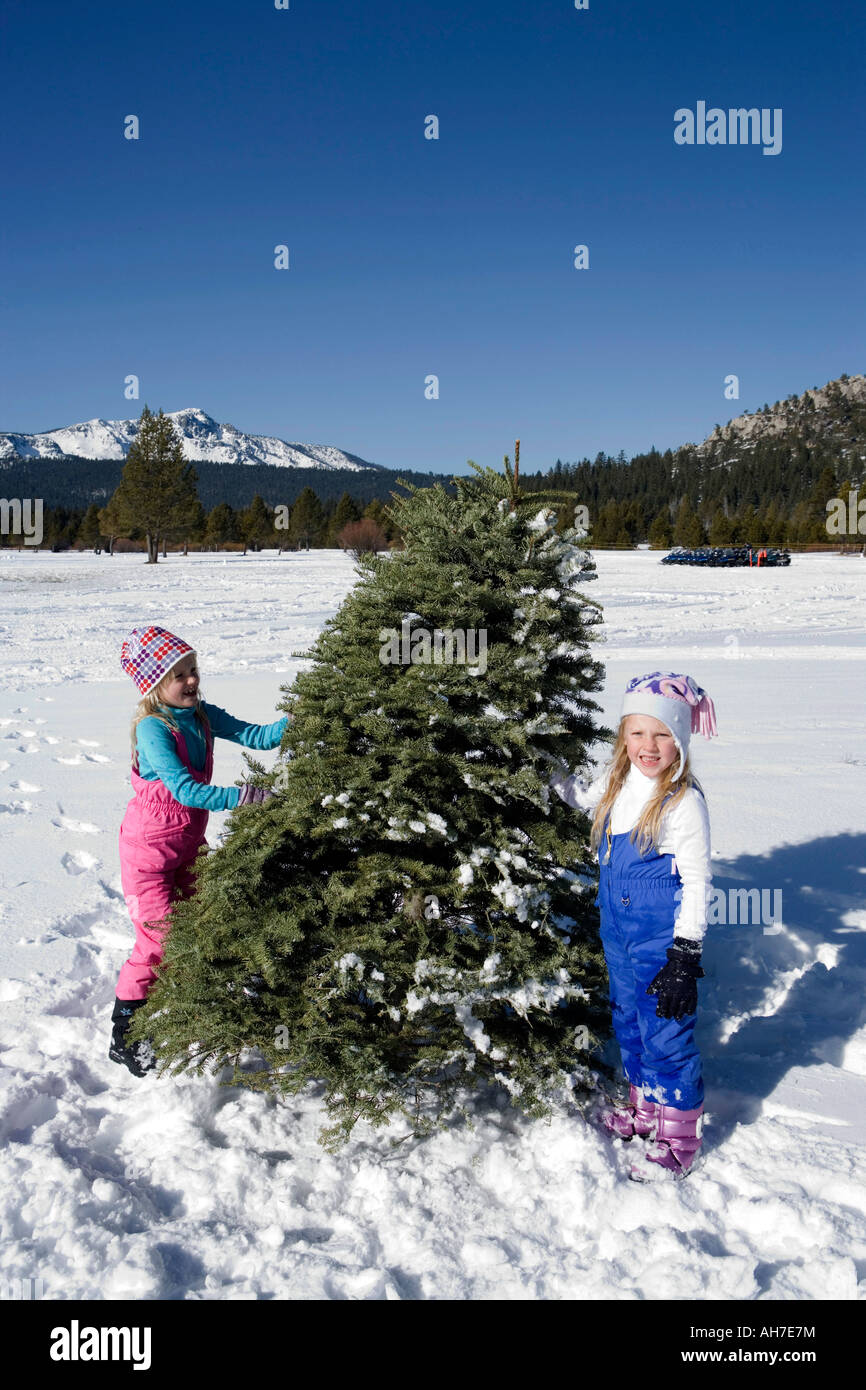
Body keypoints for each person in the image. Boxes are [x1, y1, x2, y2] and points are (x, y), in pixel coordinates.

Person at [552, 671, 717, 1178]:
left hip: (660, 941)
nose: (649, 746)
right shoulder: (617, 784)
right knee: (629, 1023)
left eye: (663, 734)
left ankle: (678, 1138)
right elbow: (578, 795)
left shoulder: (682, 802)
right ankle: (646, 1109)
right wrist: (544, 762)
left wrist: (685, 956)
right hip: (616, 933)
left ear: (681, 739)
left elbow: (697, 882)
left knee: (666, 1033)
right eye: (638, 733)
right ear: (622, 735)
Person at [110, 625, 288, 1078]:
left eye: (193, 670)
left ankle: (198, 1001)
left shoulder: (202, 716)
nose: (191, 681)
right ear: (155, 685)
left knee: (210, 919)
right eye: (178, 675)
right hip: (147, 858)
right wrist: (242, 796)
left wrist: (304, 715)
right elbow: (187, 790)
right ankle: (125, 1034)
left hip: (189, 848)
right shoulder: (154, 728)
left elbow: (259, 737)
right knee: (160, 940)